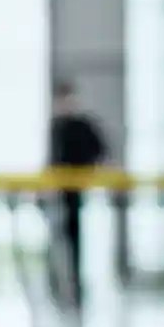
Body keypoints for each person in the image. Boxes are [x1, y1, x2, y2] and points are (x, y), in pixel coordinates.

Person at [48, 79, 107, 308]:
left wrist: (90, 174)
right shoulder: (56, 127)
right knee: (59, 238)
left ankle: (78, 286)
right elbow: (53, 160)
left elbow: (100, 152)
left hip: (80, 193)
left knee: (77, 240)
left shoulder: (83, 126)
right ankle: (60, 285)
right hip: (59, 192)